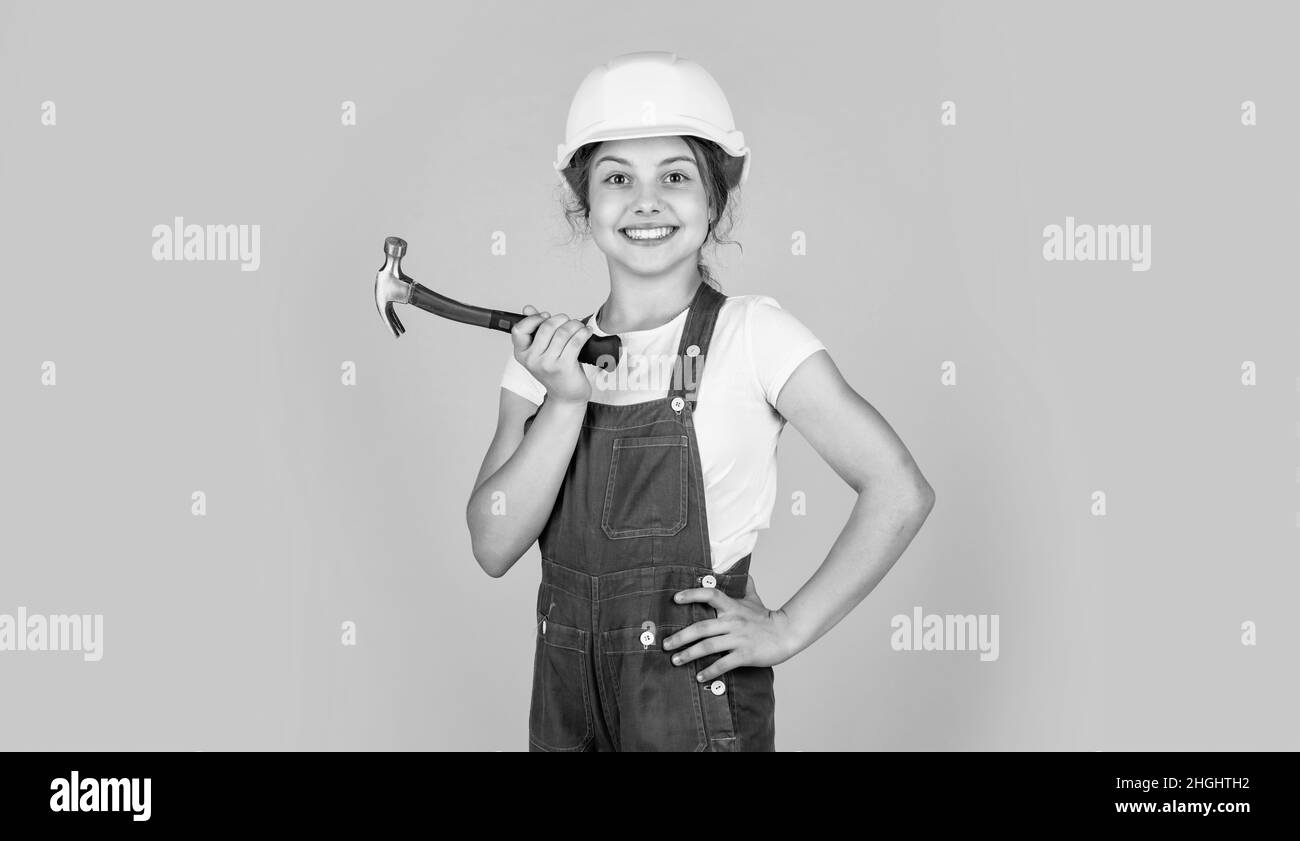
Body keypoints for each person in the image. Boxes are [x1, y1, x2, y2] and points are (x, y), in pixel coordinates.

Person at [466, 51, 935, 751]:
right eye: (617, 177)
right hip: (566, 717)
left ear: (714, 200)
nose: (646, 201)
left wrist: (787, 626)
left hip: (695, 708)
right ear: (583, 203)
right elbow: (493, 543)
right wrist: (564, 402)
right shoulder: (544, 362)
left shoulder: (753, 337)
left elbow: (899, 489)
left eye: (676, 177)